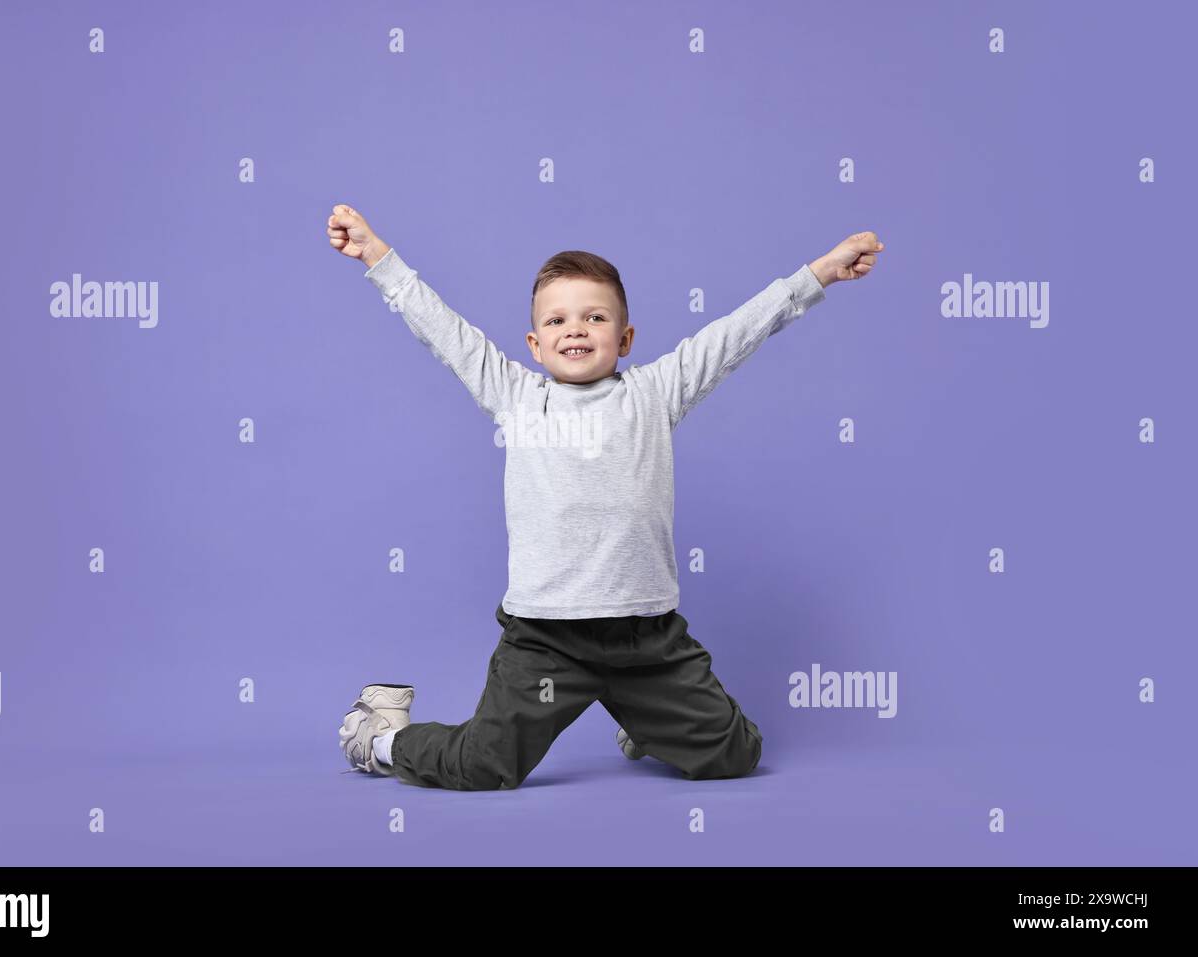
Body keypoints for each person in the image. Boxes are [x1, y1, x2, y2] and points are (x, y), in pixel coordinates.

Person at [327, 203, 884, 789]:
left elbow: (737, 332)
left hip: (646, 638)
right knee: (482, 765)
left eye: (594, 317)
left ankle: (647, 717)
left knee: (734, 755)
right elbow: (441, 329)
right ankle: (382, 736)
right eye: (557, 321)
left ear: (625, 338)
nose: (575, 329)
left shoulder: (655, 392)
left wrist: (818, 274)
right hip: (547, 640)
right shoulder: (517, 397)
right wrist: (376, 256)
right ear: (535, 344)